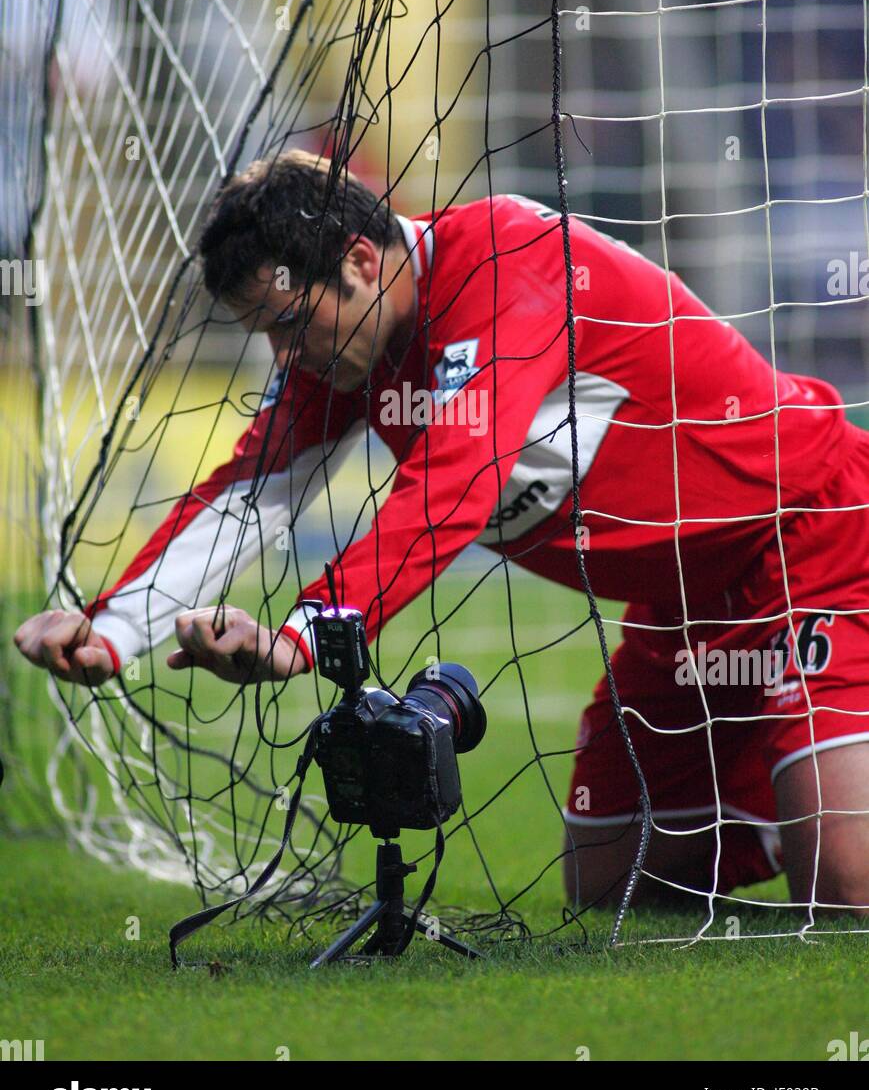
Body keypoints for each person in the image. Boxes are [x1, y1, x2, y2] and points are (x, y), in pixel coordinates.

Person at [15, 150, 869, 911]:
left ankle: (815, 823)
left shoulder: (508, 260)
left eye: (284, 323)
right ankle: (780, 815)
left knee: (841, 892)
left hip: (817, 541)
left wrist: (300, 637)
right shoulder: (349, 343)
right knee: (610, 889)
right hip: (674, 607)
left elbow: (451, 485)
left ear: (358, 261)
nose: (282, 357)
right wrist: (114, 629)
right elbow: (253, 487)